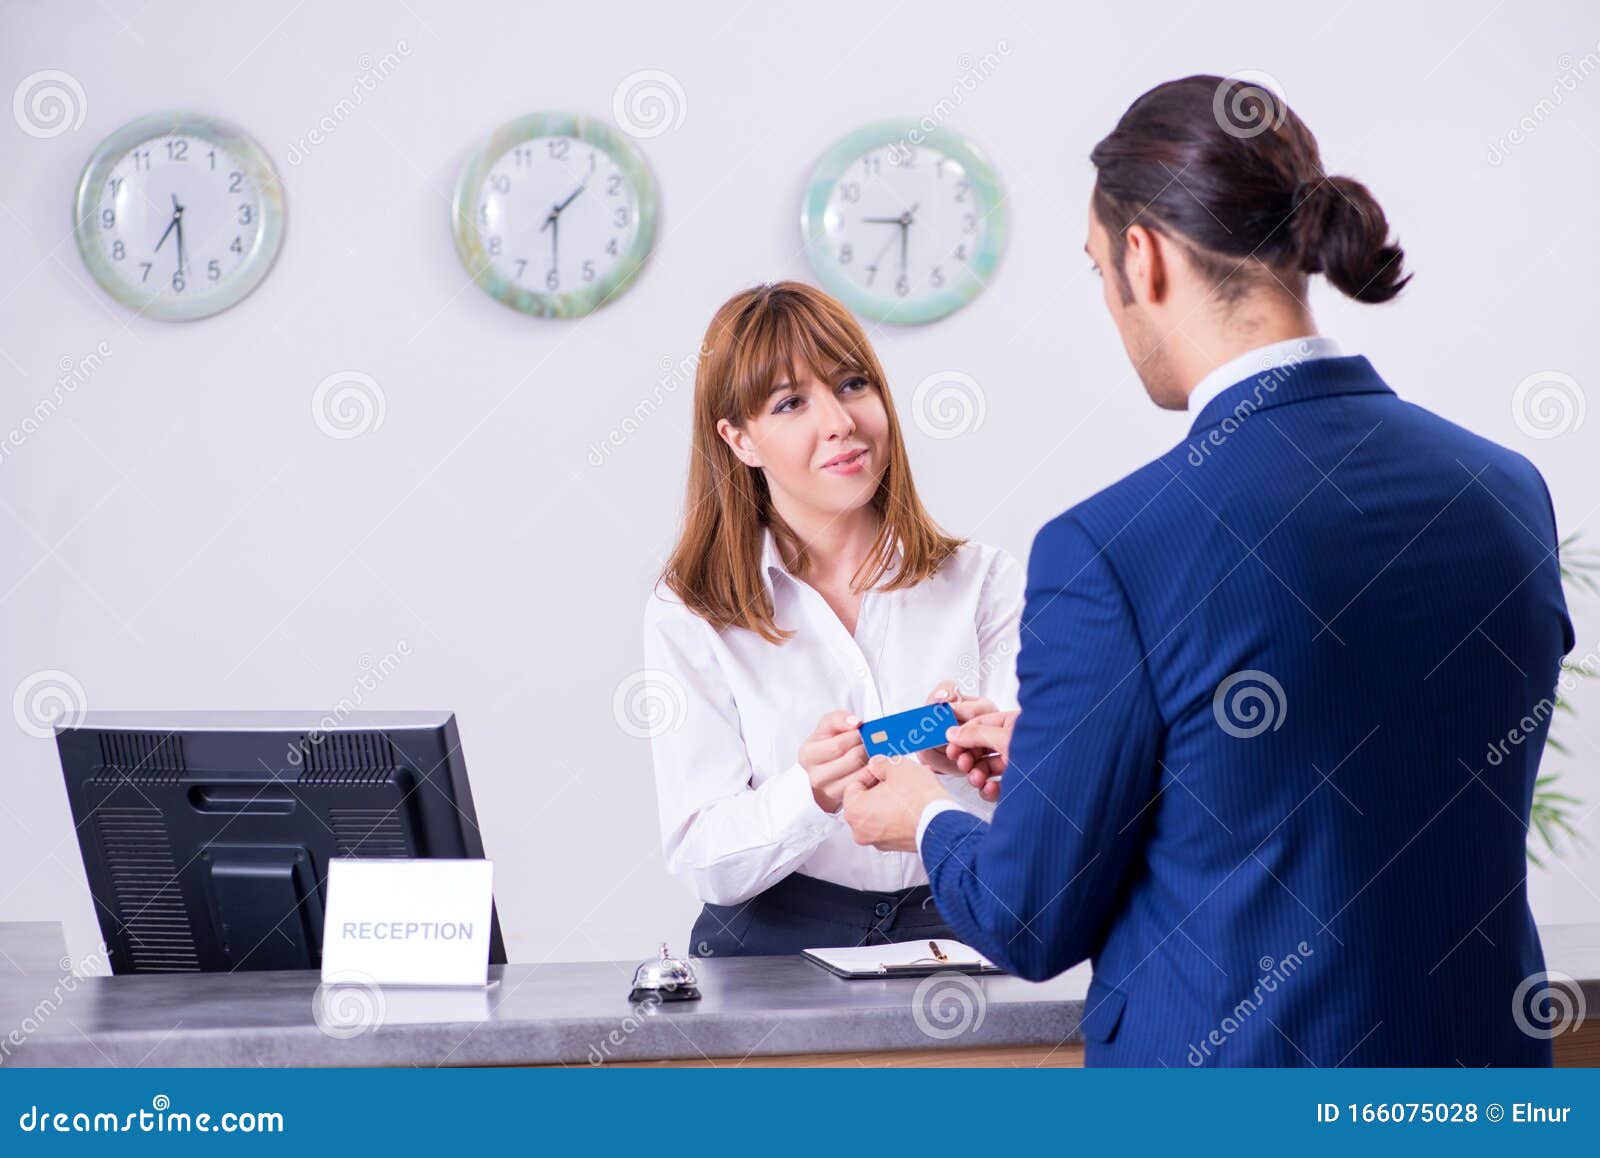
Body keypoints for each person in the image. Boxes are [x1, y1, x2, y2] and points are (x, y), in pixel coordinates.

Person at [842, 75, 1575, 1066]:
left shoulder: (1110, 546)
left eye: (1097, 268)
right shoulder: (1503, 489)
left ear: (1141, 258)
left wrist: (926, 817)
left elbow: (1028, 919)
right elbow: (1335, 765)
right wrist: (1068, 769)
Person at [644, 281, 1024, 956]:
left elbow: (1046, 818)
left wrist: (977, 768)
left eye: (852, 385)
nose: (840, 421)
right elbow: (703, 859)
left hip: (961, 929)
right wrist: (811, 793)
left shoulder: (985, 581)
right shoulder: (691, 610)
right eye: (791, 402)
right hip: (770, 950)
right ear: (739, 439)